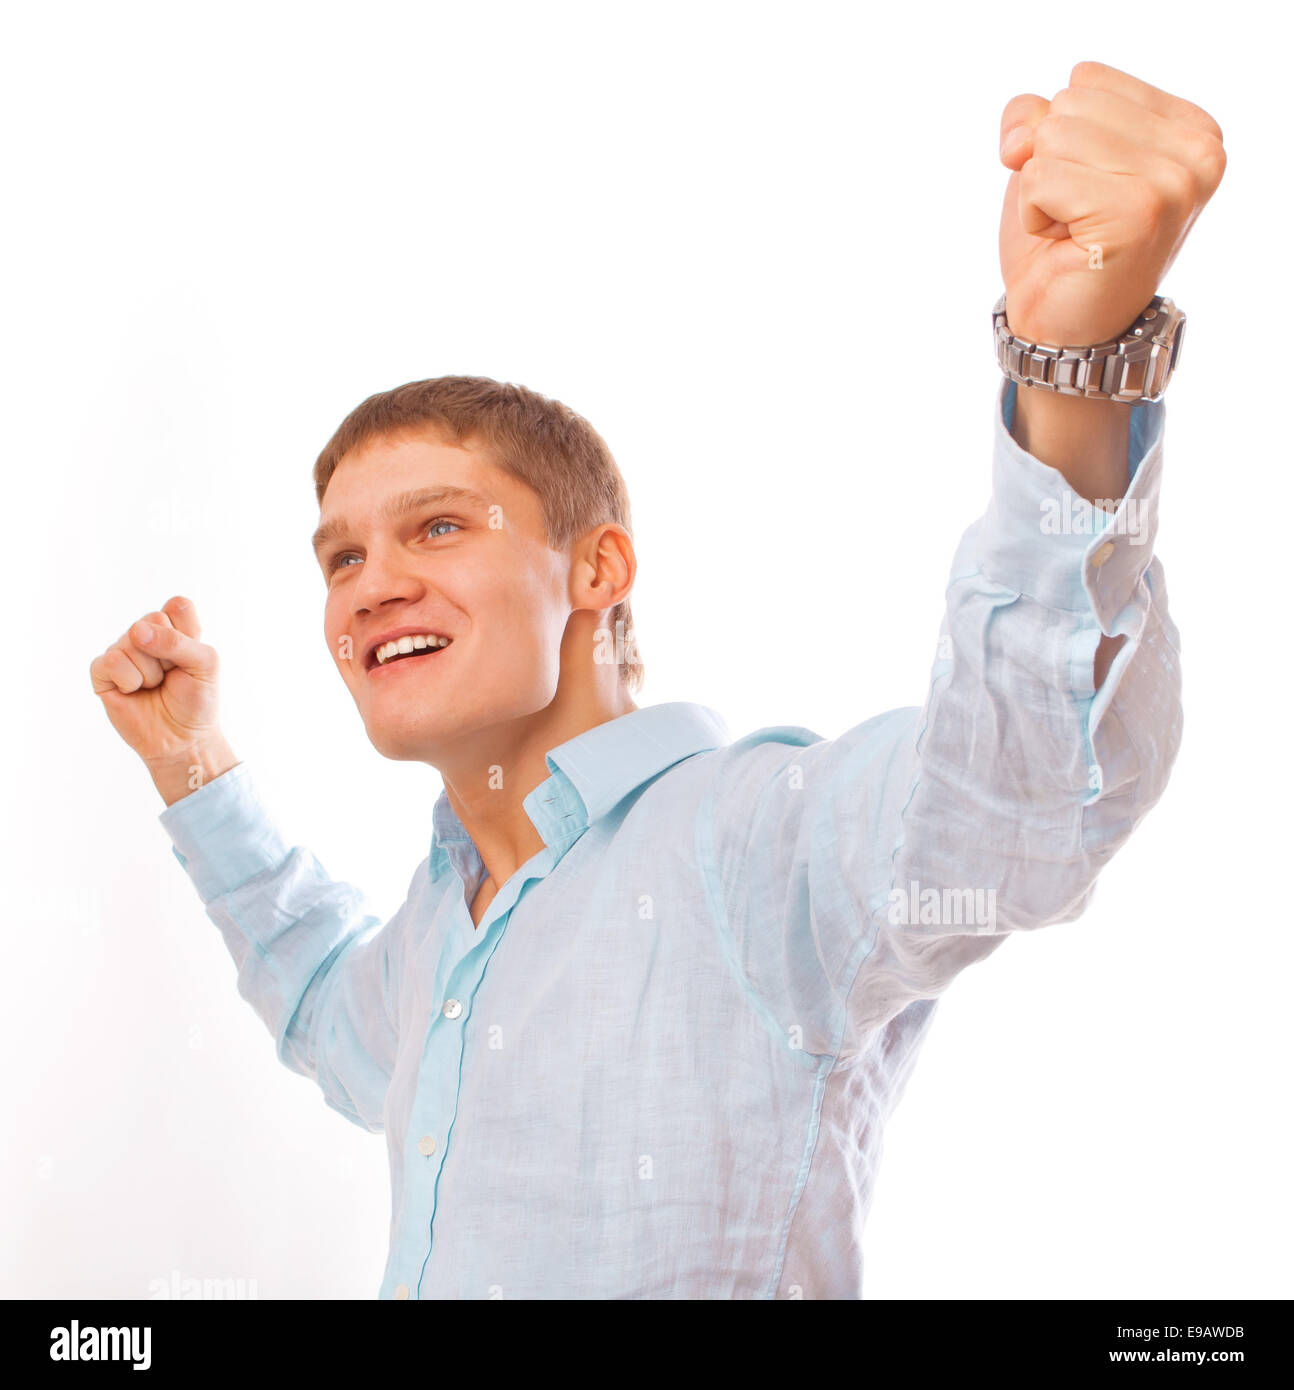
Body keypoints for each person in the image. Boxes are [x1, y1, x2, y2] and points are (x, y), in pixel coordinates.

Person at [89, 61, 1225, 1299]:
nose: (367, 585)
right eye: (341, 555)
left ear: (596, 571)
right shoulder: (442, 929)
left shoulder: (750, 843)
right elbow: (323, 1011)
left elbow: (1013, 813)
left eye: (437, 528)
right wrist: (188, 764)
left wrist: (1075, 371)